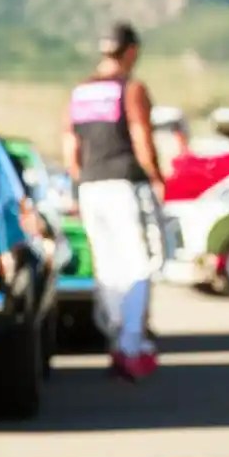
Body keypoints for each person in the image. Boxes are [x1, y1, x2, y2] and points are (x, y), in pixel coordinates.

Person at [61, 22, 163, 381]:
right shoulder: (131, 89)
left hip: (90, 186)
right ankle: (131, 345)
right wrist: (155, 176)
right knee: (139, 264)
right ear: (131, 51)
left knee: (107, 266)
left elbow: (70, 147)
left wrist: (78, 183)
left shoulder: (80, 93)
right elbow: (141, 136)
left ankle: (117, 334)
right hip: (125, 184)